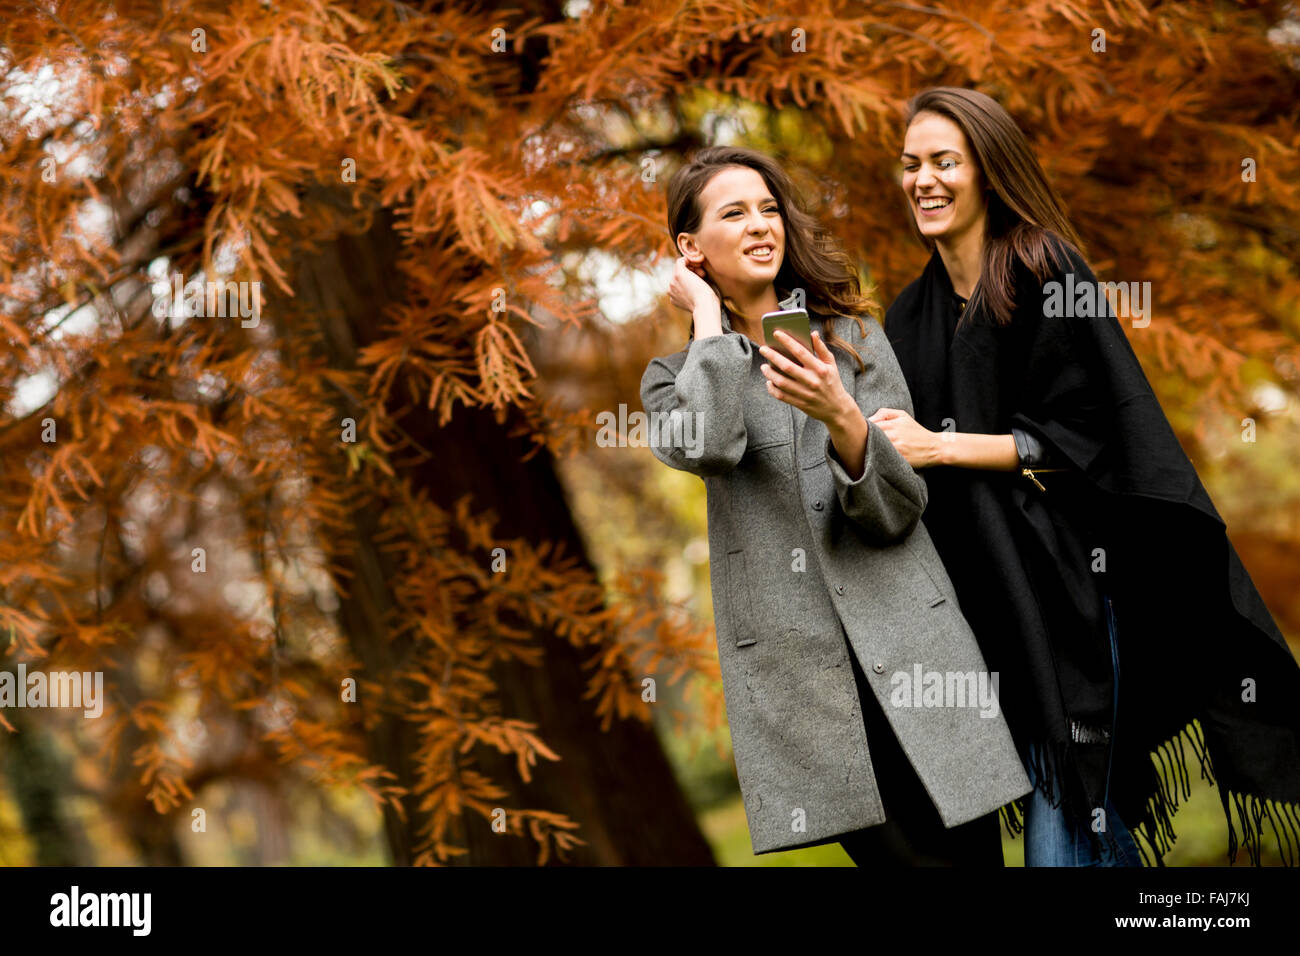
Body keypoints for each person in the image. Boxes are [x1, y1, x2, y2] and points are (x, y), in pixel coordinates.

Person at [876, 86, 1300, 866]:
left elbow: (1087, 434)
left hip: (1075, 594)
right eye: (911, 165)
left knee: (1065, 820)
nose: (923, 180)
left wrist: (943, 446)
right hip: (987, 614)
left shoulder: (1042, 268)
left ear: (987, 168)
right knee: (1081, 825)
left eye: (944, 161)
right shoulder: (907, 319)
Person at [639, 145, 1031, 866]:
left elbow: (896, 510)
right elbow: (711, 446)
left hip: (914, 651)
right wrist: (710, 326)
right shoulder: (672, 382)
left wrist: (841, 416)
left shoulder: (853, 339)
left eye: (768, 209)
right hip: (804, 688)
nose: (762, 226)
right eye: (735, 213)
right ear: (689, 248)